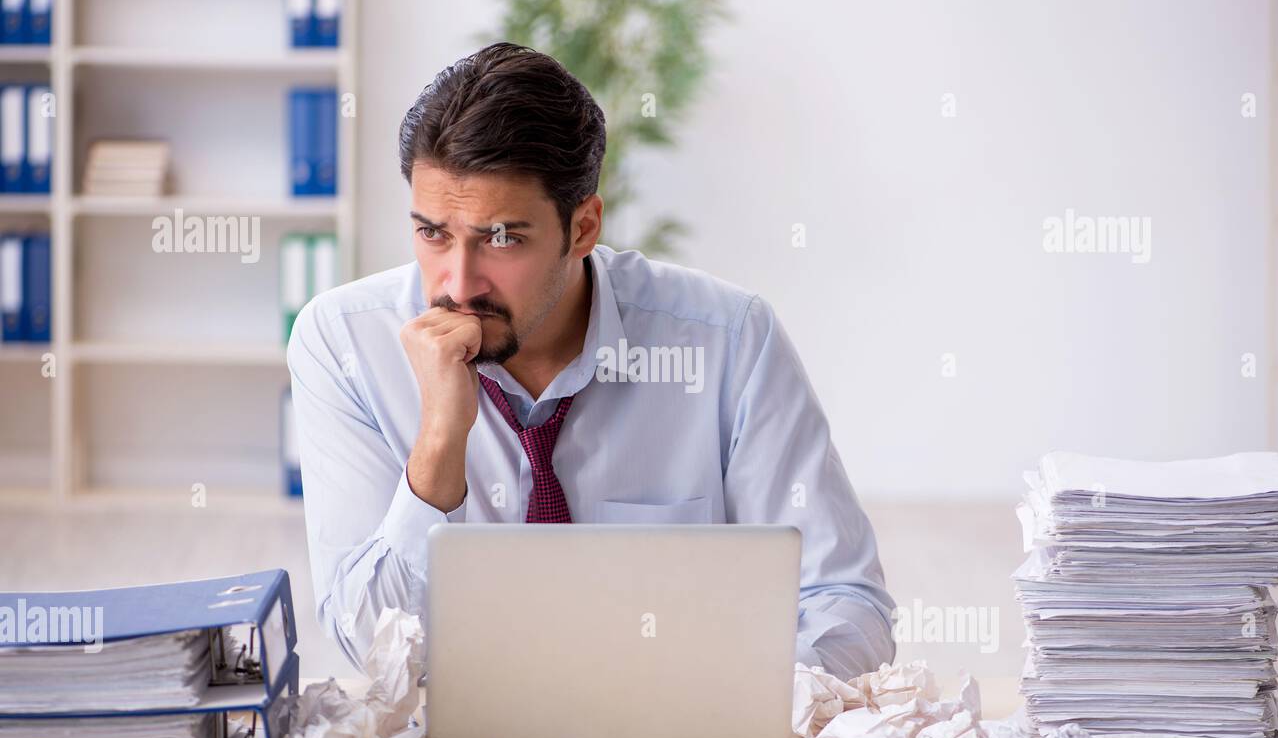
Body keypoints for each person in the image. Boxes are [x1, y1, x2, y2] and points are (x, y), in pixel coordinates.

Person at [287, 42, 896, 680]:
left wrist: (731, 698)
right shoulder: (344, 343)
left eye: (502, 239)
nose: (459, 284)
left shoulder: (728, 338)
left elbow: (846, 603)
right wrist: (440, 439)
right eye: (432, 233)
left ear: (583, 227)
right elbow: (369, 646)